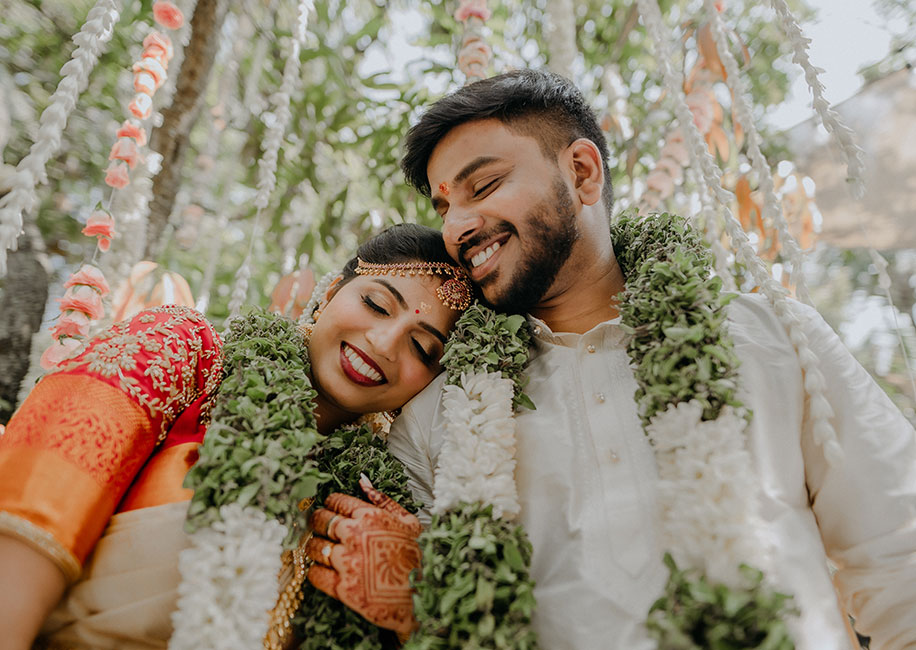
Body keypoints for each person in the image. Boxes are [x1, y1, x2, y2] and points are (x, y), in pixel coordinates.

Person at [366, 70, 915, 648]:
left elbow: (898, 557)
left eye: (483, 186)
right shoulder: (438, 415)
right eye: (444, 206)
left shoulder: (775, 336)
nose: (456, 227)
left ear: (581, 172)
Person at [0, 223, 471, 649]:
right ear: (330, 292)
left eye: (422, 347)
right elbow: (34, 503)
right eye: (375, 304)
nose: (384, 343)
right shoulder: (187, 354)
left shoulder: (372, 507)